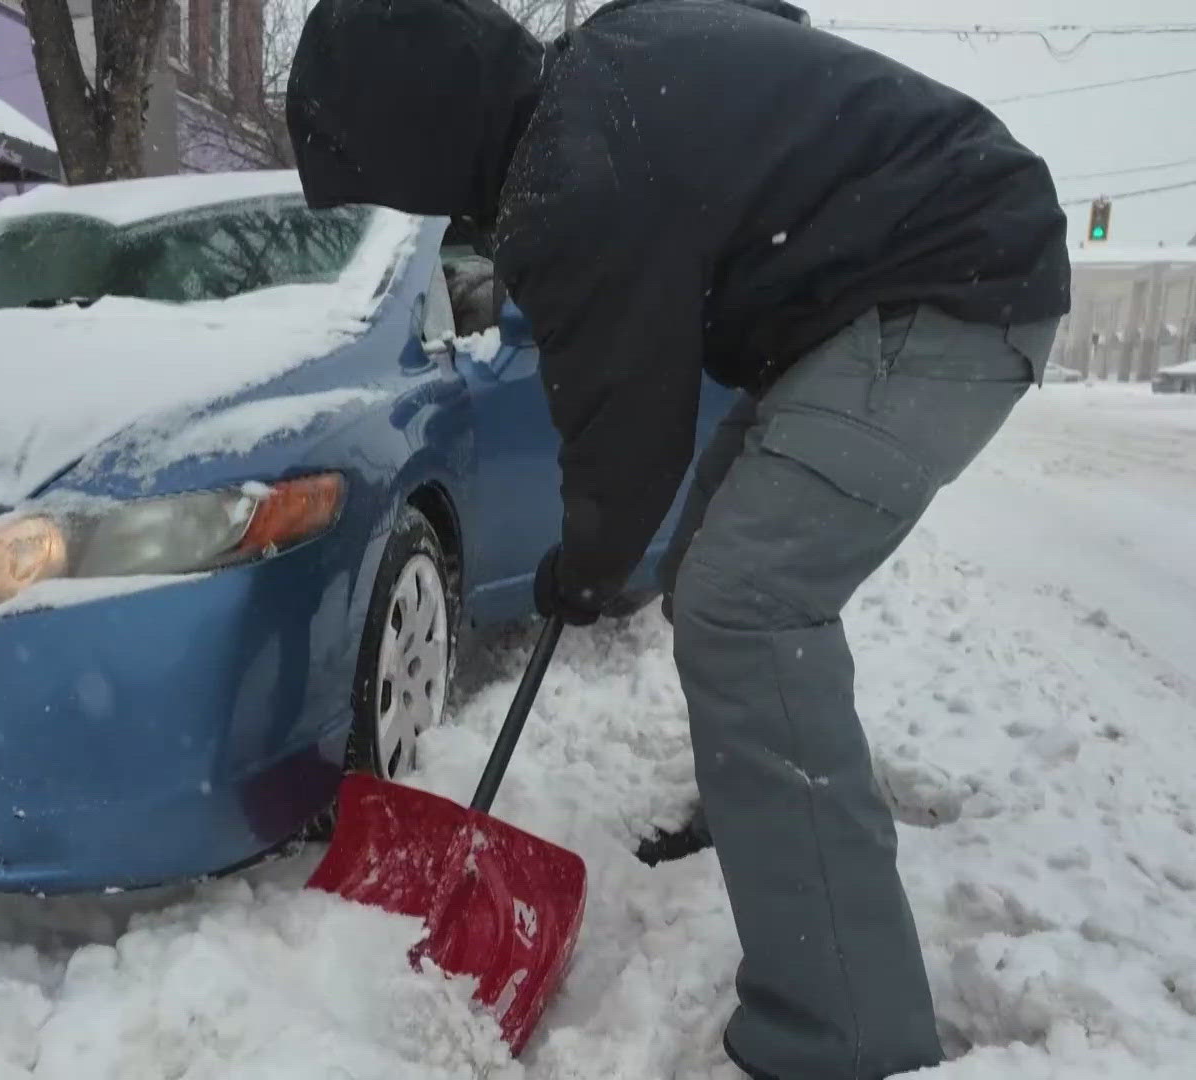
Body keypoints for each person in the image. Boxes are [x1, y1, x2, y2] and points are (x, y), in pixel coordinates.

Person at [286, 0, 1068, 1076]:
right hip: (903, 279)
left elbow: (627, 420)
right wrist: (602, 555)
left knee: (747, 607)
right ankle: (762, 810)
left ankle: (842, 1032)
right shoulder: (602, 73)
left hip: (945, 290)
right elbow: (766, 26)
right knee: (710, 567)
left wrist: (586, 567)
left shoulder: (571, 173)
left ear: (418, 128)